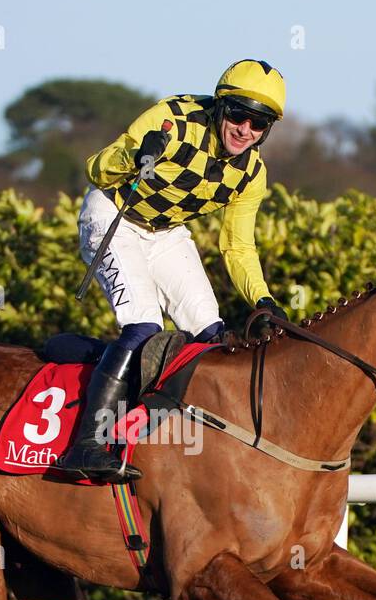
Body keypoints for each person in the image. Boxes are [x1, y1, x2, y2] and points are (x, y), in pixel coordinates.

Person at [55, 58, 289, 483]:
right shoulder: (172, 121)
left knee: (212, 337)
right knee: (145, 327)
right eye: (238, 115)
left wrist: (263, 299)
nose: (245, 130)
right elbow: (95, 168)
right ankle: (86, 443)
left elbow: (237, 246)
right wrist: (133, 156)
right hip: (112, 216)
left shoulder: (251, 174)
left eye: (259, 124)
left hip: (165, 234)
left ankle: (185, 442)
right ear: (221, 107)